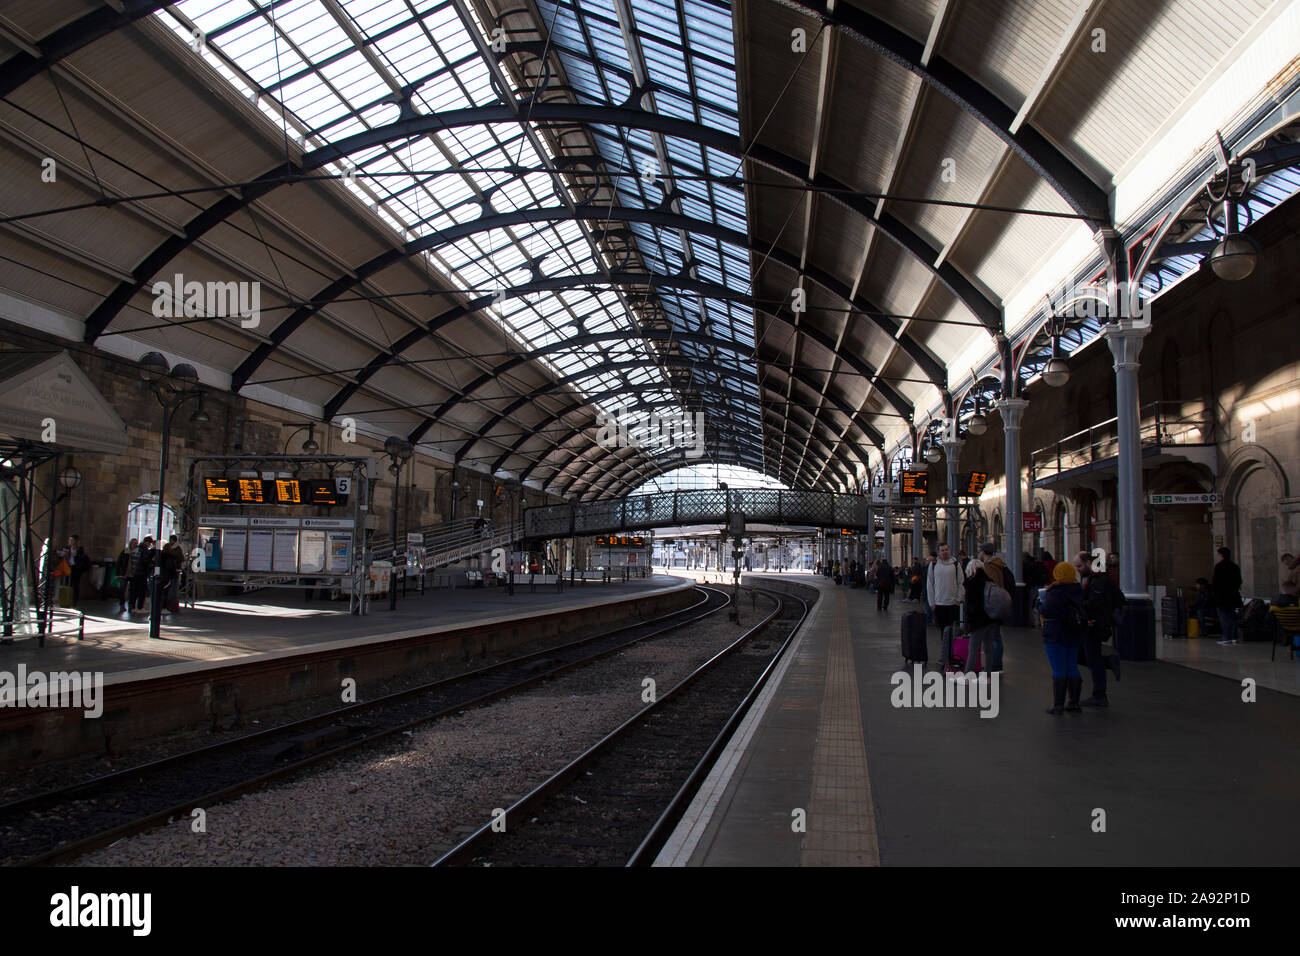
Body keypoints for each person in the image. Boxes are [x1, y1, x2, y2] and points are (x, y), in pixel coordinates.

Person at [1073, 551, 1123, 706]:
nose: (1078, 569)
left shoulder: (1099, 580)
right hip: (1089, 623)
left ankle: (1099, 695)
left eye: (1079, 566)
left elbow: (1096, 601)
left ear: (1089, 562)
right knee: (1082, 656)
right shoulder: (1091, 578)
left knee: (1093, 659)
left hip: (1095, 624)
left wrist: (1078, 605)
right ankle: (1108, 662)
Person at [1039, 561, 1086, 714]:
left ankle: (1058, 705)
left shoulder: (1056, 591)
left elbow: (1047, 611)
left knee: (1058, 668)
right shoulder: (1077, 590)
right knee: (1072, 665)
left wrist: (1039, 604)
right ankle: (1074, 702)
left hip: (1056, 633)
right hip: (1074, 632)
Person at [978, 543, 1012, 669]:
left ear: (983, 552)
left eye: (980, 551)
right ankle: (995, 663)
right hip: (999, 603)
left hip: (992, 604)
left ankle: (995, 664)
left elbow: (989, 587)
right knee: (995, 635)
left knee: (993, 636)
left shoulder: (989, 567)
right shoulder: (1000, 564)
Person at [962, 559, 995, 678]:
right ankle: (987, 675)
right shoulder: (990, 581)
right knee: (988, 648)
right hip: (991, 619)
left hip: (978, 621)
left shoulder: (971, 583)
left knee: (974, 649)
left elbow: (971, 607)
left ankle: (967, 675)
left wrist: (968, 625)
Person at [927, 543, 964, 632]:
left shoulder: (956, 564)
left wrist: (959, 599)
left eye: (946, 550)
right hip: (939, 603)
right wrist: (932, 602)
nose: (944, 552)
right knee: (943, 630)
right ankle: (945, 645)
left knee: (953, 630)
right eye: (942, 550)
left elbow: (961, 582)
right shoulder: (933, 565)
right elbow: (930, 584)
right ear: (939, 553)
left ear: (950, 551)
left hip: (953, 603)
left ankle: (952, 645)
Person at [1212, 547, 1243, 645]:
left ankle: (1226, 637)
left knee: (1223, 617)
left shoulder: (1219, 566)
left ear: (1221, 555)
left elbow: (1216, 582)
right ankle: (1234, 637)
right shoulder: (1234, 566)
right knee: (1232, 616)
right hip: (1233, 595)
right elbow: (1239, 581)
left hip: (1221, 596)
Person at [129, 536, 154, 613]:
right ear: (147, 542)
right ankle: (140, 607)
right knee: (142, 591)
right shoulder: (145, 550)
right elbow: (146, 561)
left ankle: (132, 607)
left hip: (134, 573)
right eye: (150, 544)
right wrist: (152, 560)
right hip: (142, 573)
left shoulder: (135, 549)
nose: (150, 545)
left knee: (134, 591)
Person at [67, 536, 90, 605]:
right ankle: (67, 599)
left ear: (75, 541)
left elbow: (82, 558)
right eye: (70, 540)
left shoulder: (80, 549)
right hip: (68, 567)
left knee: (75, 585)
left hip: (76, 568)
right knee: (68, 584)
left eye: (72, 540)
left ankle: (74, 601)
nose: (70, 542)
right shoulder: (67, 549)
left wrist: (76, 555)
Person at [116, 539, 136, 613]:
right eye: (133, 543)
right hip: (125, 573)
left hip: (133, 574)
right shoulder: (125, 551)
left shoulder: (136, 552)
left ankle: (131, 605)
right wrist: (119, 573)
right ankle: (122, 604)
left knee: (132, 590)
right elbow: (119, 562)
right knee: (122, 589)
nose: (134, 545)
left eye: (136, 543)